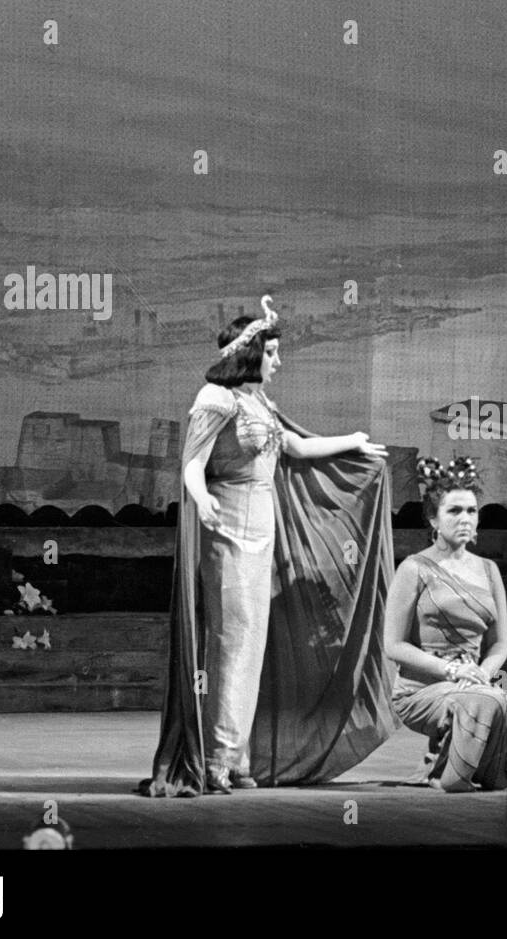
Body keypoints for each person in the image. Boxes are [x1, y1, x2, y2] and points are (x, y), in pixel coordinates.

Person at [140, 296, 398, 796]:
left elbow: (297, 449)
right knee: (232, 647)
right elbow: (193, 463)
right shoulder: (216, 399)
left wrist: (353, 440)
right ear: (250, 353)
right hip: (229, 535)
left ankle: (235, 757)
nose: (279, 361)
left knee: (252, 648)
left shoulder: (260, 404)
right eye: (273, 352)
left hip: (262, 538)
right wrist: (200, 500)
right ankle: (215, 758)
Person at [382, 457, 507, 791]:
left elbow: (499, 644)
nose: (465, 519)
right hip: (421, 689)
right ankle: (451, 775)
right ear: (433, 519)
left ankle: (474, 769)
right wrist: (451, 671)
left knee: (500, 702)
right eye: (454, 511)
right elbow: (393, 645)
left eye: (471, 511)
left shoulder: (488, 570)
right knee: (481, 702)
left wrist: (483, 673)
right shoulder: (414, 569)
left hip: (474, 682)